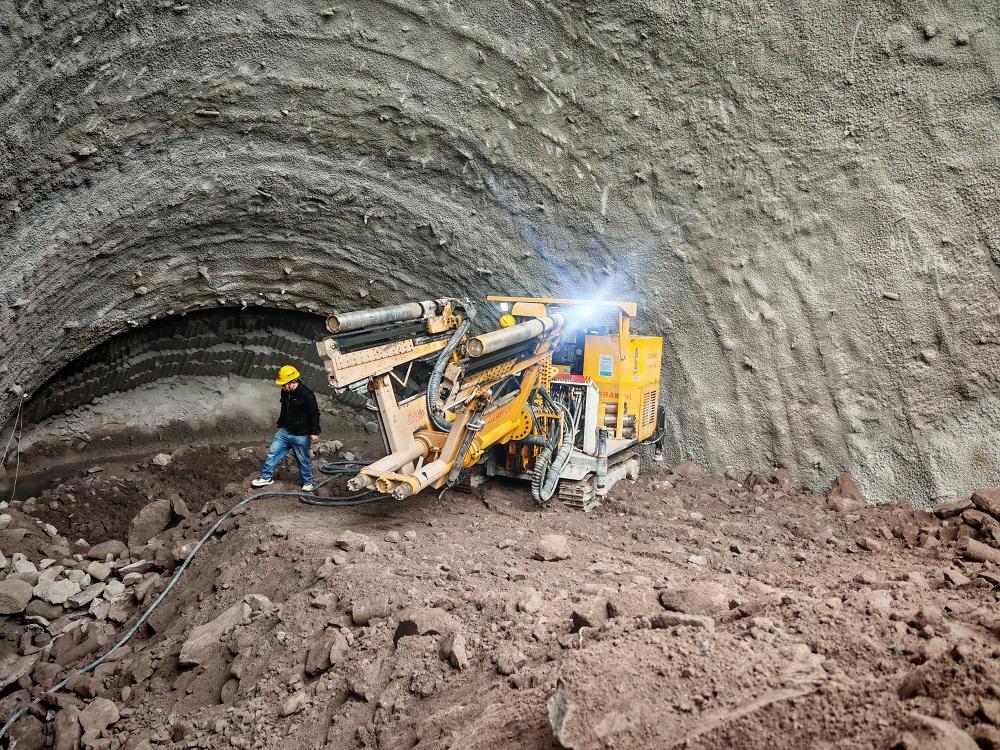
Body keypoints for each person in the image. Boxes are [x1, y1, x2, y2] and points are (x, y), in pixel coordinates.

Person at [251, 365, 321, 491]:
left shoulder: (307, 394)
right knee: (273, 452)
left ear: (292, 382)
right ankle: (266, 477)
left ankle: (307, 483)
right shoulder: (285, 392)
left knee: (302, 459)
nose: (282, 386)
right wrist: (281, 423)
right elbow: (285, 409)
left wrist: (314, 432)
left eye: (283, 384)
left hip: (301, 434)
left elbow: (314, 413)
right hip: (285, 430)